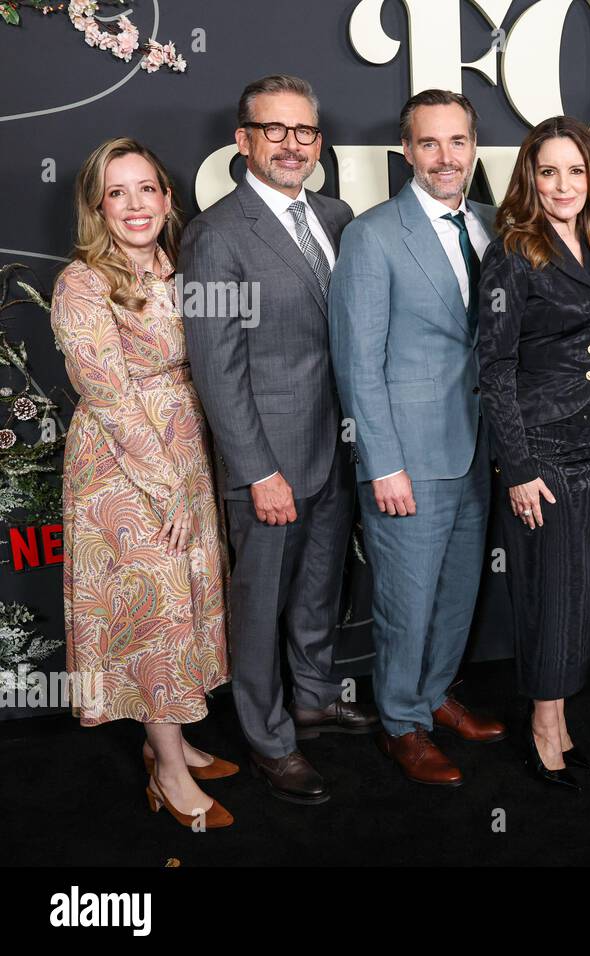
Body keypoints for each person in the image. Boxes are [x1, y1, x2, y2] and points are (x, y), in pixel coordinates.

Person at [181, 75, 376, 805]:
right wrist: (257, 470)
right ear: (243, 141)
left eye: (305, 132)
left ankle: (317, 697)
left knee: (322, 588)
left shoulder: (336, 214)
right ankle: (268, 737)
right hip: (268, 462)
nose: (292, 144)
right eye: (275, 130)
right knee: (261, 605)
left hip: (335, 449)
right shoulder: (215, 234)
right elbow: (215, 367)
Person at [51, 137, 234, 829]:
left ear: (165, 196)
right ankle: (165, 770)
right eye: (118, 192)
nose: (136, 205)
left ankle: (176, 739)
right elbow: (110, 395)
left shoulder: (172, 263)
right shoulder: (82, 282)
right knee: (154, 614)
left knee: (182, 602)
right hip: (125, 472)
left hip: (185, 452)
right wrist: (166, 491)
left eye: (147, 189)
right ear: (98, 204)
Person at [329, 89, 506, 787]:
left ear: (472, 148)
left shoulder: (493, 226)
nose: (445, 157)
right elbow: (357, 363)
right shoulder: (372, 236)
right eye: (429, 144)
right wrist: (382, 465)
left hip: (477, 450)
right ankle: (402, 723)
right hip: (407, 458)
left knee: (458, 592)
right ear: (407, 152)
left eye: (457, 142)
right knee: (406, 599)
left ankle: (435, 696)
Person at [476, 116, 590, 790]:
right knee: (550, 595)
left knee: (585, 593)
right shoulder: (512, 251)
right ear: (529, 180)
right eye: (548, 171)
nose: (563, 184)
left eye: (575, 169)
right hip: (544, 453)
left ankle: (562, 720)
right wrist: (519, 467)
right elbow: (494, 368)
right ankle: (543, 726)